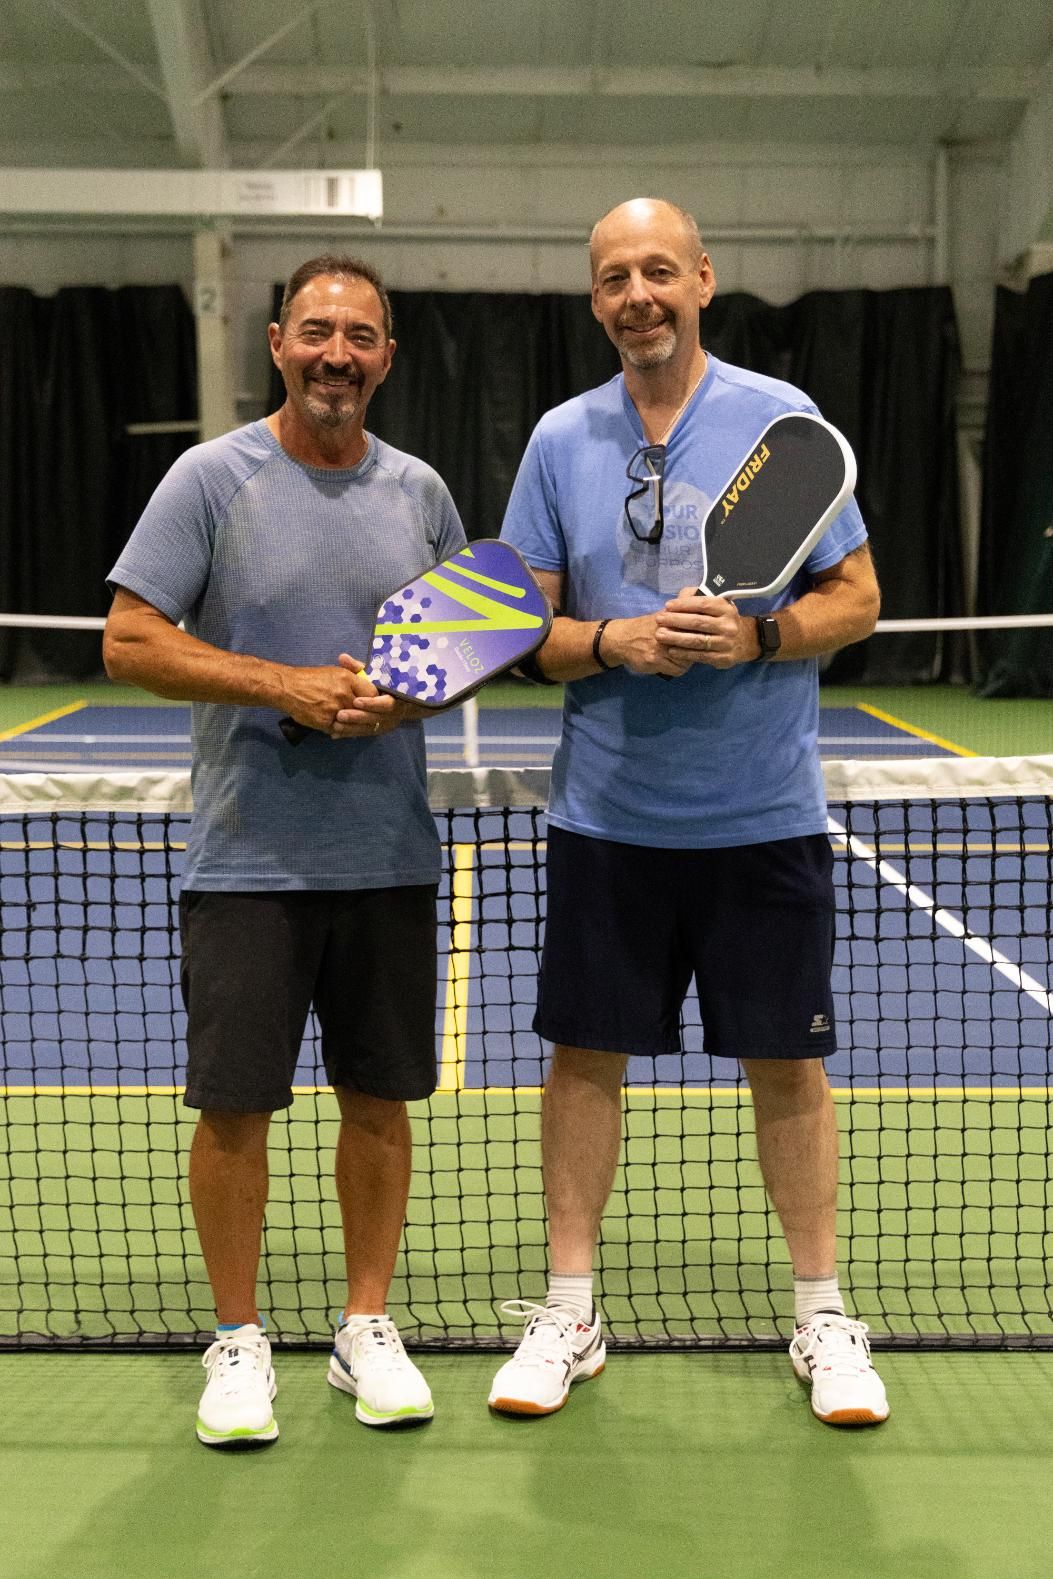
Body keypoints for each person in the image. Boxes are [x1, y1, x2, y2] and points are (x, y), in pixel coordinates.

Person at [491, 198, 888, 1427]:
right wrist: (614, 640)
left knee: (788, 1066)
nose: (638, 295)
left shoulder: (781, 423)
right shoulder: (561, 439)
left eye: (658, 270)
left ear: (703, 279)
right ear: (595, 300)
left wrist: (758, 635)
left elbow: (858, 599)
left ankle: (822, 1312)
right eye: (615, 278)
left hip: (762, 818)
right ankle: (569, 1310)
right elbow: (525, 633)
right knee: (584, 1063)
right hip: (607, 821)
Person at [103, 254, 465, 1448]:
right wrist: (284, 685)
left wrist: (399, 701)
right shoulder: (210, 479)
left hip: (388, 857)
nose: (336, 355)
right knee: (233, 1115)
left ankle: (366, 1326)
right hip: (246, 862)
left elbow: (459, 655)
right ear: (278, 344)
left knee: (380, 1107)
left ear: (387, 357)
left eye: (360, 337)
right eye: (317, 332)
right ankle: (237, 1338)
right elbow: (129, 640)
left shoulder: (420, 492)